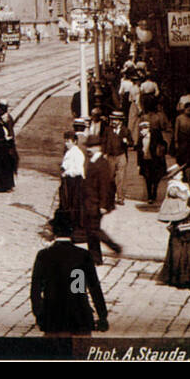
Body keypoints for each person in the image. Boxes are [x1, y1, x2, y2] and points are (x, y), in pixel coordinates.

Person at [30, 211, 108, 334]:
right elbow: (94, 288)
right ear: (72, 231)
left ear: (54, 231)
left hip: (53, 319)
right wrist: (102, 316)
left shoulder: (44, 256)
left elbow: (35, 289)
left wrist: (40, 315)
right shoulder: (83, 255)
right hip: (80, 318)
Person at [159, 171, 190, 290]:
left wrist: (188, 211)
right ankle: (179, 279)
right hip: (180, 224)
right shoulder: (184, 189)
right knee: (178, 253)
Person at [80, 135, 122, 264]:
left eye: (91, 147)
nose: (88, 149)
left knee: (94, 230)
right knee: (91, 230)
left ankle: (114, 247)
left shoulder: (102, 163)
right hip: (90, 202)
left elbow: (105, 186)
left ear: (98, 147)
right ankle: (95, 258)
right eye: (88, 146)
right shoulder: (93, 161)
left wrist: (103, 205)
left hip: (96, 203)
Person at [100, 109, 132, 208]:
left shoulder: (125, 131)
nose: (113, 121)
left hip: (121, 156)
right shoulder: (107, 130)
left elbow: (132, 143)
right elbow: (103, 142)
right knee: (110, 177)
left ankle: (120, 197)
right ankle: (110, 197)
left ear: (120, 121)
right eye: (113, 119)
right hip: (110, 156)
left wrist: (127, 142)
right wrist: (104, 154)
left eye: (116, 120)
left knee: (121, 178)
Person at [135, 118, 167, 205]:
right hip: (145, 162)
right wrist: (138, 164)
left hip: (154, 161)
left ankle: (154, 192)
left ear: (148, 129)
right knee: (147, 179)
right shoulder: (140, 139)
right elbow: (138, 152)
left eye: (144, 129)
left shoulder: (155, 136)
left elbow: (163, 145)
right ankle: (150, 196)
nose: (142, 132)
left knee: (155, 179)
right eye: (141, 130)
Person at [58, 131, 85, 229]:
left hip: (75, 181)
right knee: (67, 201)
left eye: (68, 141)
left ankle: (74, 224)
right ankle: (68, 222)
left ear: (74, 142)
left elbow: (77, 170)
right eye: (65, 141)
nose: (66, 143)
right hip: (69, 180)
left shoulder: (77, 153)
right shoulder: (69, 152)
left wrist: (67, 172)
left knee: (74, 203)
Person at [171, 95, 190, 172]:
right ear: (184, 109)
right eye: (187, 108)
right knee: (181, 158)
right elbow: (176, 130)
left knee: (189, 159)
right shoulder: (179, 118)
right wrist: (176, 142)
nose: (189, 110)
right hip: (181, 140)